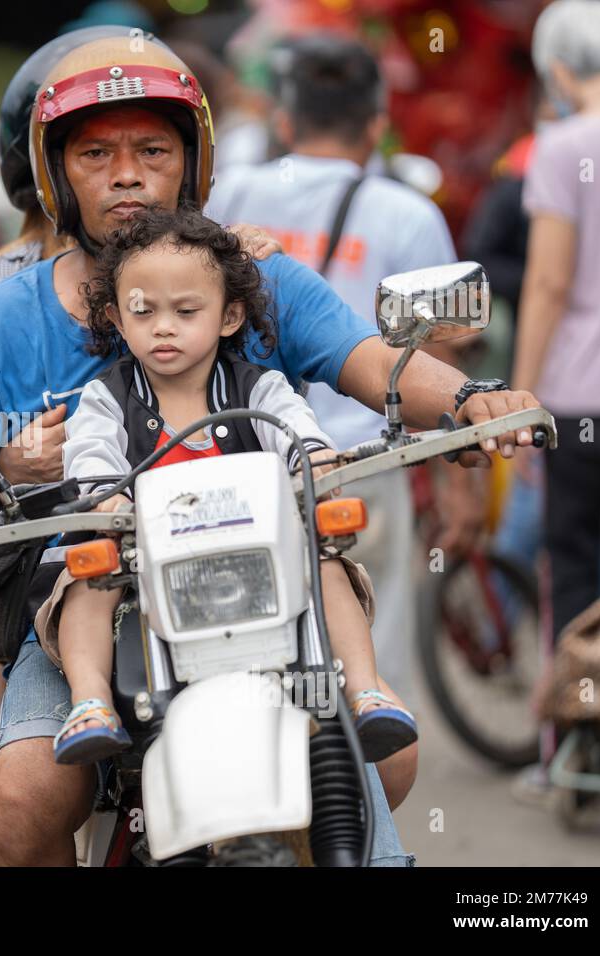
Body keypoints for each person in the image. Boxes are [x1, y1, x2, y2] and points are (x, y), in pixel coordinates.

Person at [0, 35, 541, 867]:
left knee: (388, 758)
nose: (126, 173)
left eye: (152, 150)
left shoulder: (256, 281)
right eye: (96, 153)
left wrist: (468, 399)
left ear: (192, 164)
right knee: (19, 791)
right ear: (57, 175)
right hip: (87, 589)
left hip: (265, 590)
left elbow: (369, 363)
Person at [38, 206, 415, 765]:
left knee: (326, 554)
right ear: (117, 319)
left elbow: (295, 430)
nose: (164, 326)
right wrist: (105, 493)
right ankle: (90, 701)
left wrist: (315, 460)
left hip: (255, 559)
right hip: (144, 568)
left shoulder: (259, 388)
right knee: (86, 577)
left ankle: (364, 688)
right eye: (143, 311)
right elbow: (89, 453)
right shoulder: (105, 397)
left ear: (230, 315)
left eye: (187, 310)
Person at [204, 34, 468, 694]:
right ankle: (363, 783)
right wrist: (459, 480)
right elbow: (434, 352)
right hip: (365, 462)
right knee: (368, 661)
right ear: (377, 126)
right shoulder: (407, 213)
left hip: (243, 456)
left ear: (285, 122)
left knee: (241, 646)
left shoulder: (231, 194)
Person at [514, 0, 600, 762]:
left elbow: (548, 284)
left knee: (574, 569)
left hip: (584, 402)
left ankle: (576, 742)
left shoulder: (561, 147)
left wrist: (521, 397)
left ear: (558, 70)